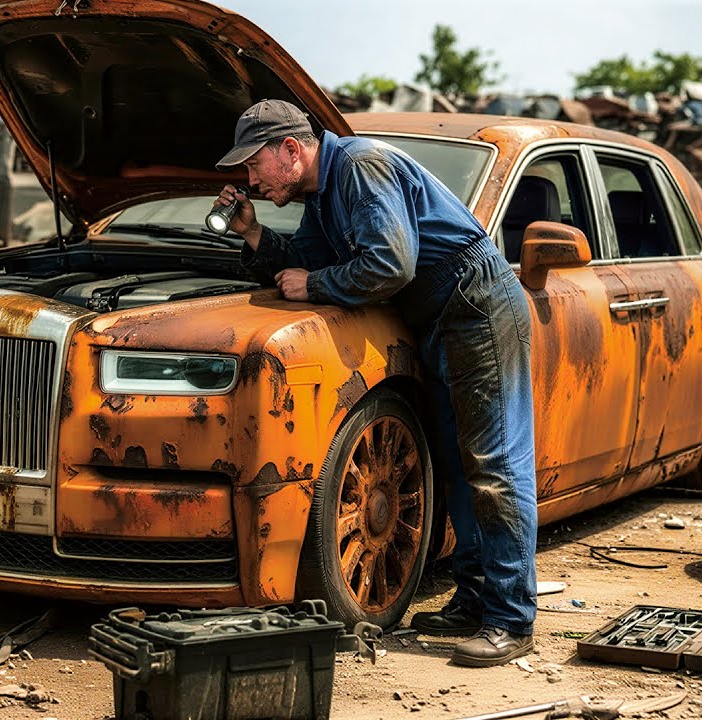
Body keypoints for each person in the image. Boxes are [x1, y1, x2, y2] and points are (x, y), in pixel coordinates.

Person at [213, 99, 538, 667]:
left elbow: (390, 265)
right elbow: (301, 264)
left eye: (254, 165)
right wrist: (253, 232)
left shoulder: (361, 167)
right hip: (438, 315)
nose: (251, 179)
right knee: (458, 467)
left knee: (494, 465)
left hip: (476, 306)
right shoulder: (321, 197)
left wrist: (315, 282)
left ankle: (512, 619)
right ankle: (475, 600)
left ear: (292, 150)